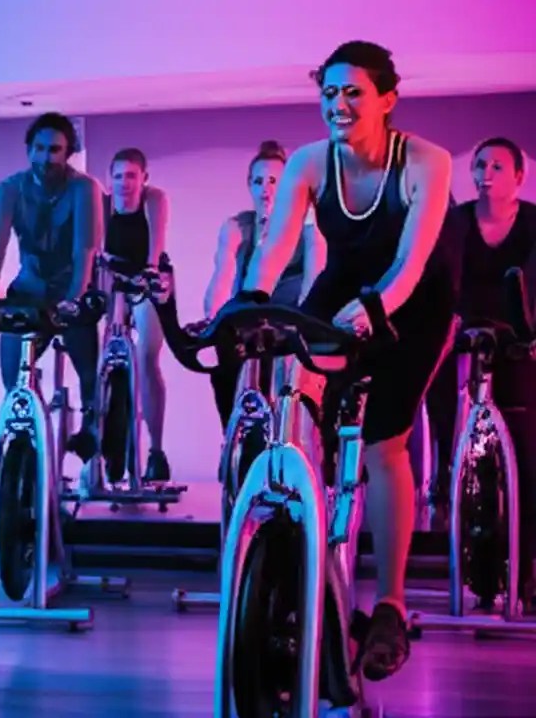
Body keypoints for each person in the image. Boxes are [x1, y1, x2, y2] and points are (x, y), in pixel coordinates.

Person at [240, 40, 457, 680]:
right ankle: (302, 538)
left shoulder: (425, 160)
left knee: (385, 440)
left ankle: (389, 603)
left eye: (353, 92)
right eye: (329, 92)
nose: (338, 103)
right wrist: (254, 301)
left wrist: (376, 309)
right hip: (342, 284)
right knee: (300, 399)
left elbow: (412, 261)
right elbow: (277, 244)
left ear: (387, 99)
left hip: (412, 300)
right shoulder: (310, 163)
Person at [0, 112, 102, 468]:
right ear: (29, 150)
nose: (46, 157)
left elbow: (85, 252)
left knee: (89, 373)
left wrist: (73, 301)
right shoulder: (8, 189)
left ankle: (91, 425)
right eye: (40, 148)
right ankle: (24, 437)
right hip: (29, 289)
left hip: (71, 290)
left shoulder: (84, 188)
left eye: (55, 150)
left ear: (68, 153)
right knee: (13, 378)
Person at [446, 137, 536, 602]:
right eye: (480, 164)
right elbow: (444, 283)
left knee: (525, 453)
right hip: (462, 344)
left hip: (518, 344)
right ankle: (476, 573)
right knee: (462, 452)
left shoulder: (533, 224)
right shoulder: (458, 223)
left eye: (498, 166)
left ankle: (527, 571)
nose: (486, 173)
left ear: (518, 177)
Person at [202, 141, 325, 428]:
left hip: (290, 319)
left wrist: (308, 323)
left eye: (274, 181)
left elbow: (314, 275)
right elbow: (222, 277)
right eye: (258, 182)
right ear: (250, 187)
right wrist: (213, 317)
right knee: (223, 366)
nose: (265, 189)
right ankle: (233, 438)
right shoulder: (238, 226)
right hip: (251, 320)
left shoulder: (306, 225)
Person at [104, 148, 172, 482]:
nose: (124, 183)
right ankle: (110, 448)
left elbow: (154, 252)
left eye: (131, 175)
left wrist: (145, 279)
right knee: (109, 354)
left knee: (147, 357)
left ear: (143, 178)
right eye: (118, 176)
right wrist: (117, 304)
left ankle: (156, 452)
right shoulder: (103, 206)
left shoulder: (154, 199)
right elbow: (102, 257)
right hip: (115, 280)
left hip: (152, 278)